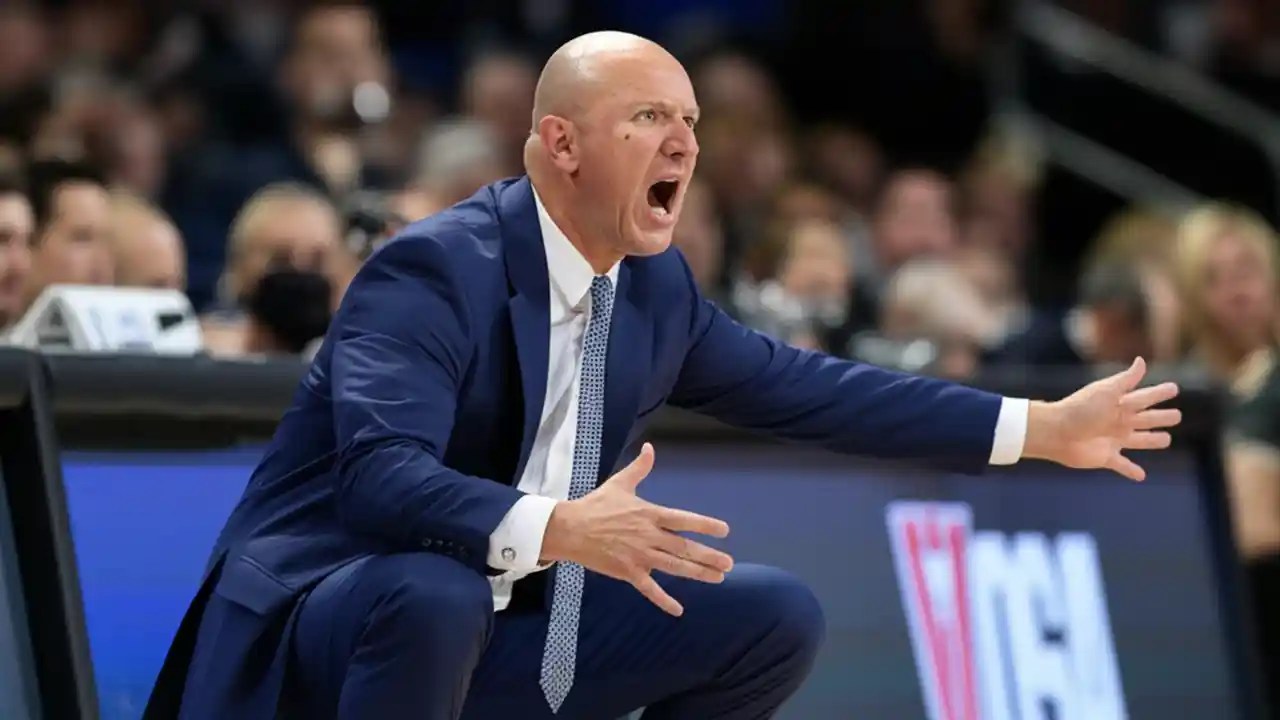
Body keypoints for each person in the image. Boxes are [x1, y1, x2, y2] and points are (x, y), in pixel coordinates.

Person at [145, 32, 1182, 720]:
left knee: (771, 616)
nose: (684, 140)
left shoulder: (654, 292)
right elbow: (377, 479)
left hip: (494, 631)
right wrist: (558, 528)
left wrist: (1033, 428)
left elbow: (818, 389)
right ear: (559, 145)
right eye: (648, 118)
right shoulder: (433, 268)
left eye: (688, 120)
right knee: (434, 589)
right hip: (324, 631)